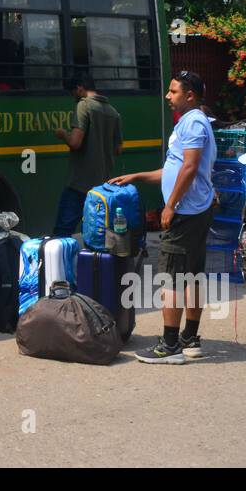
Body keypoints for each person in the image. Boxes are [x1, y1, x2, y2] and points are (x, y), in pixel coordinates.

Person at [109, 71, 216, 365]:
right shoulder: (193, 122)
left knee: (171, 277)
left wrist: (170, 205)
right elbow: (174, 169)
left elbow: (190, 168)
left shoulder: (192, 123)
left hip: (185, 212)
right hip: (195, 208)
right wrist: (138, 176)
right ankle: (190, 339)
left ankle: (170, 345)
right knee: (191, 275)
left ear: (189, 95)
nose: (167, 97)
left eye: (173, 92)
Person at [52, 72, 123, 237]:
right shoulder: (113, 112)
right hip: (102, 186)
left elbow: (75, 143)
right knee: (93, 231)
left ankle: (60, 262)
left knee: (63, 230)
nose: (73, 97)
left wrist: (63, 134)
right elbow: (118, 150)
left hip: (79, 183)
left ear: (79, 88)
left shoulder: (84, 105)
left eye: (72, 93)